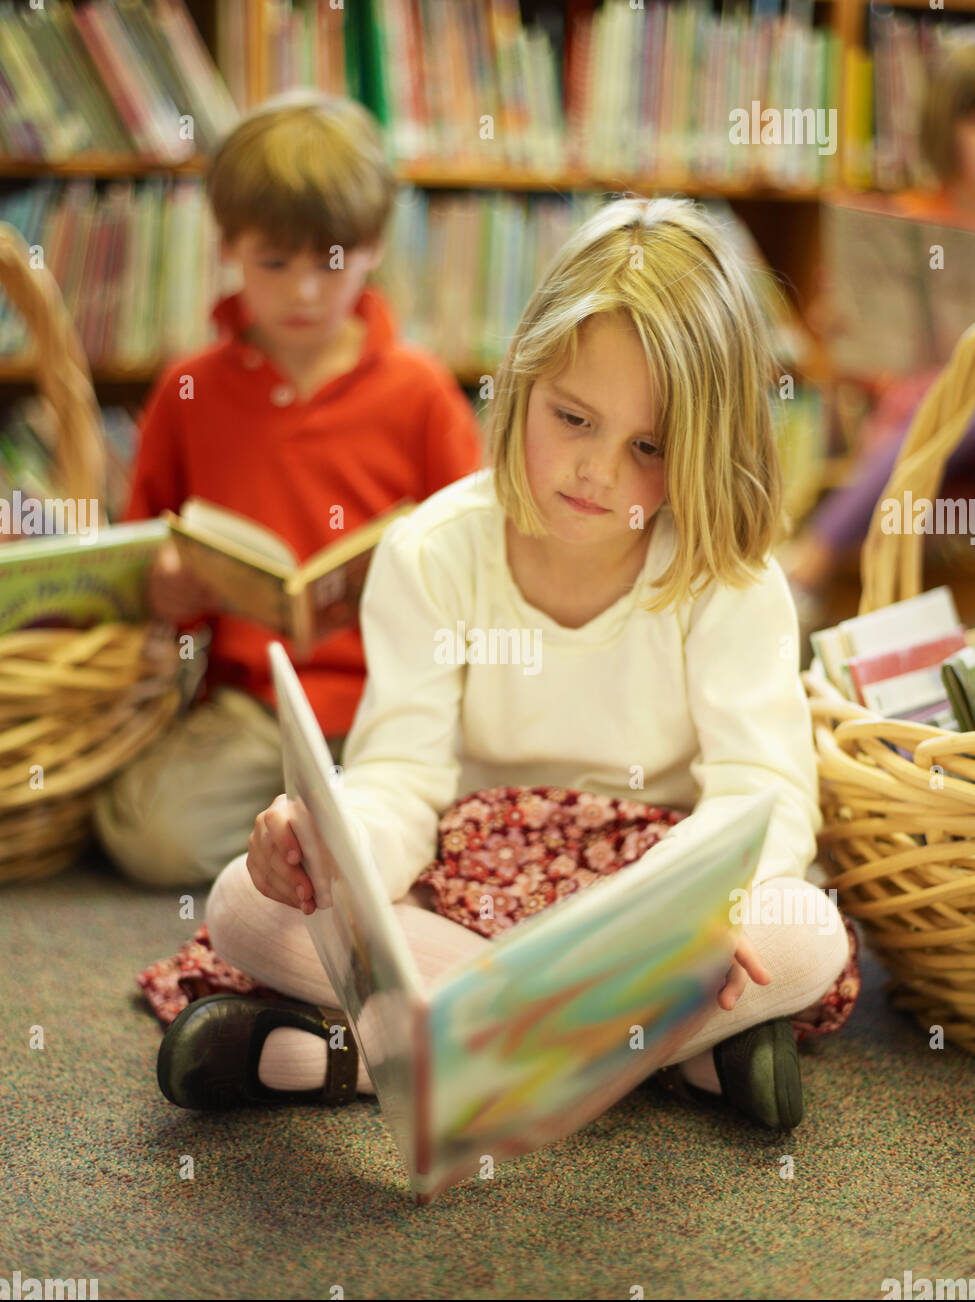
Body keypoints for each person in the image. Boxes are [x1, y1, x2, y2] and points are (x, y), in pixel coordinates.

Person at [155, 196, 859, 1133]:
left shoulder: (727, 577)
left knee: (804, 934)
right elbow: (400, 778)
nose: (596, 472)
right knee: (248, 905)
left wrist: (695, 914)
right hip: (470, 889)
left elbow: (761, 792)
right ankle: (667, 1063)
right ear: (521, 378)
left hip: (653, 903)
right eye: (572, 418)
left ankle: (344, 1060)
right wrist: (335, 850)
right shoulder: (433, 552)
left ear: (701, 450)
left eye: (647, 447)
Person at [92, 92, 482, 888]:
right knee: (148, 839)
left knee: (483, 814)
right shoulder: (189, 390)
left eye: (331, 263)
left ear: (372, 249)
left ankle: (333, 832)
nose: (305, 292)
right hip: (255, 705)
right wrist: (170, 588)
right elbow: (148, 560)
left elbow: (481, 551)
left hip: (397, 695)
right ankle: (322, 839)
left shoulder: (418, 390)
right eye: (275, 263)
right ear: (231, 245)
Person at [783, 40, 975, 610]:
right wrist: (842, 334)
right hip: (921, 447)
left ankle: (811, 561)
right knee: (944, 395)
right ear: (948, 127)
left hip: (940, 439)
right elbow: (863, 378)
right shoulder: (912, 224)